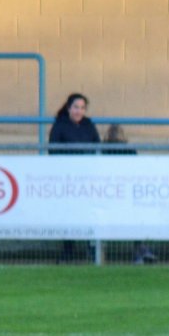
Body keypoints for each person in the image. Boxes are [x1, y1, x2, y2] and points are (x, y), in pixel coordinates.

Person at [46, 92, 98, 261]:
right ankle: (68, 251)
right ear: (69, 108)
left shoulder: (89, 125)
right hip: (67, 177)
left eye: (82, 108)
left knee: (88, 213)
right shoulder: (60, 125)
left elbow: (97, 146)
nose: (79, 111)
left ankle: (91, 250)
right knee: (68, 213)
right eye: (76, 107)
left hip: (87, 177)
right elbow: (53, 149)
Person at [98, 122, 154, 265]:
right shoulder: (106, 151)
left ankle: (140, 250)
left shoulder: (103, 151)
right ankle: (139, 251)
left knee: (138, 214)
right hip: (110, 196)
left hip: (121, 196)